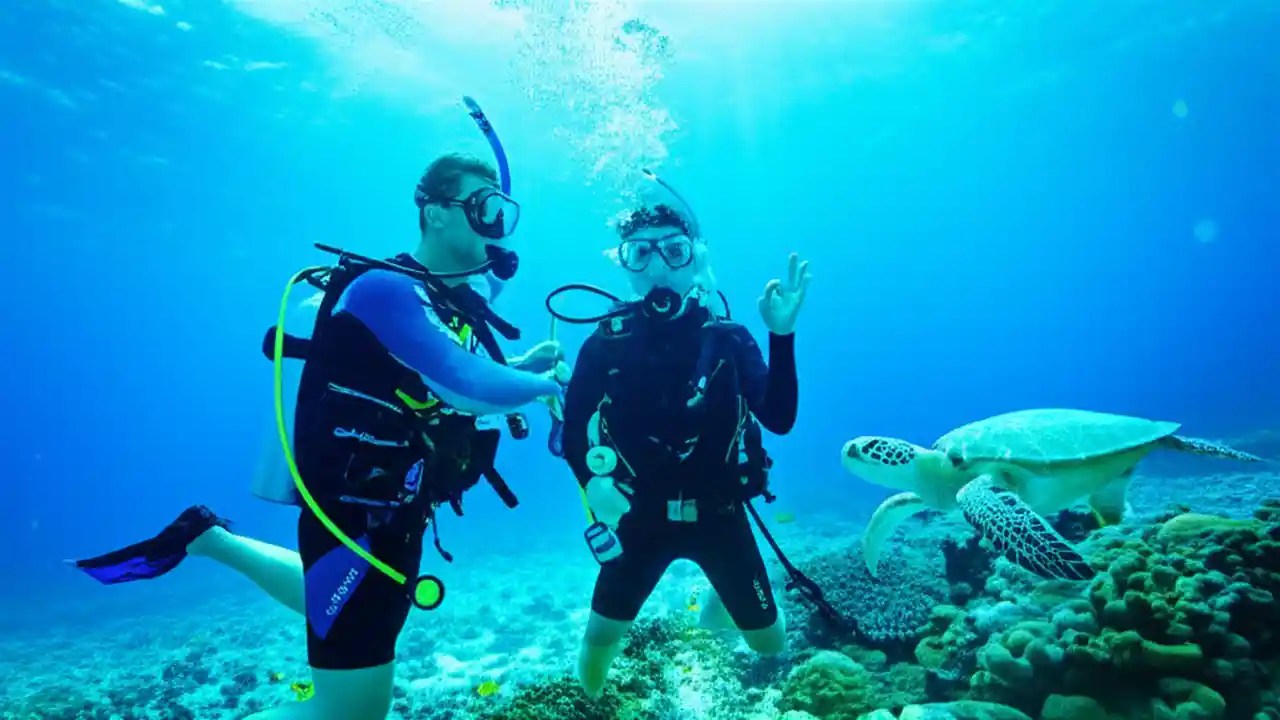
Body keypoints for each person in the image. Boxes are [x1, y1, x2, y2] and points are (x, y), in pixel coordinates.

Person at [70, 149, 564, 720]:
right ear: (435, 213)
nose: (496, 227)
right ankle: (212, 542)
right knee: (349, 713)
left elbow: (439, 388)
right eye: (484, 207)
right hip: (357, 519)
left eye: (503, 212)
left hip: (393, 511)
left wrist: (523, 368)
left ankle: (208, 538)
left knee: (332, 602)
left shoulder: (441, 301)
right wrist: (547, 385)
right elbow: (464, 385)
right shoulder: (387, 289)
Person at [558, 193, 813, 699]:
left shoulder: (728, 339)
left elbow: (779, 419)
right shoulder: (604, 343)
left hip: (720, 513)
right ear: (625, 265)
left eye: (673, 251)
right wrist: (593, 485)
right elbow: (572, 432)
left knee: (768, 645)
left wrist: (780, 335)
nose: (658, 268)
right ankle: (590, 710)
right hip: (638, 517)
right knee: (599, 641)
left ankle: (716, 598)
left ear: (695, 257)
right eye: (640, 254)